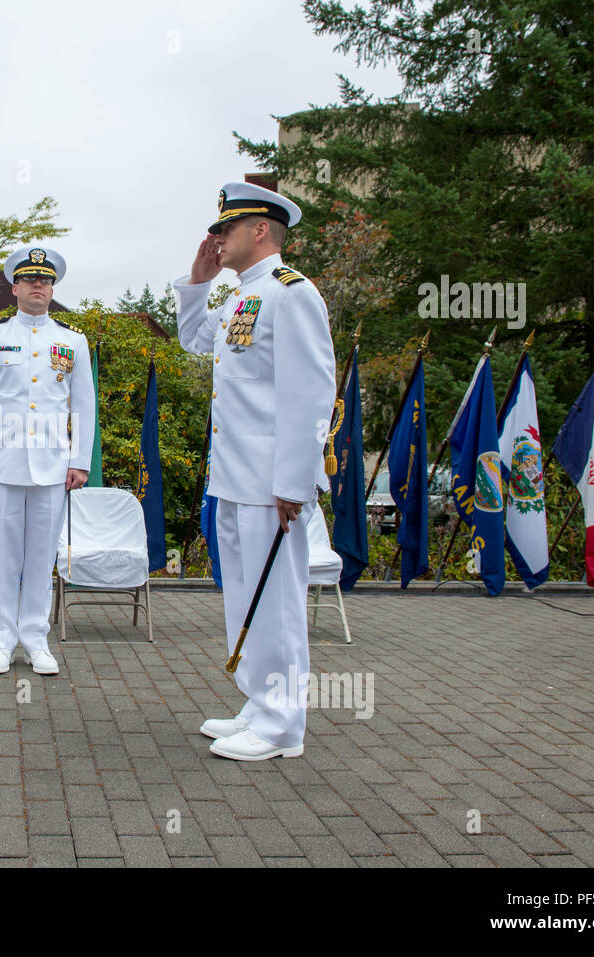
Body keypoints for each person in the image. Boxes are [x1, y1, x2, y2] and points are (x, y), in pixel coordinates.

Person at [173, 182, 336, 760]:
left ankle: (283, 726)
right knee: (245, 595)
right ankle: (259, 700)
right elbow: (194, 340)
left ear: (260, 230)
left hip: (272, 482)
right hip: (236, 475)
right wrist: (197, 282)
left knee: (279, 601)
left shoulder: (292, 293)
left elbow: (311, 393)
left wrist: (295, 482)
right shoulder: (239, 297)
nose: (217, 238)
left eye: (226, 230)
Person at [0, 247, 94, 676]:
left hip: (53, 466)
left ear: (53, 288)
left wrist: (80, 461)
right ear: (15, 287)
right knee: (4, 557)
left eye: (46, 280)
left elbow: (85, 407)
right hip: (0, 464)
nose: (39, 286)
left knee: (41, 557)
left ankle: (36, 639)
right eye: (31, 280)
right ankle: (1, 641)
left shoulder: (72, 341)